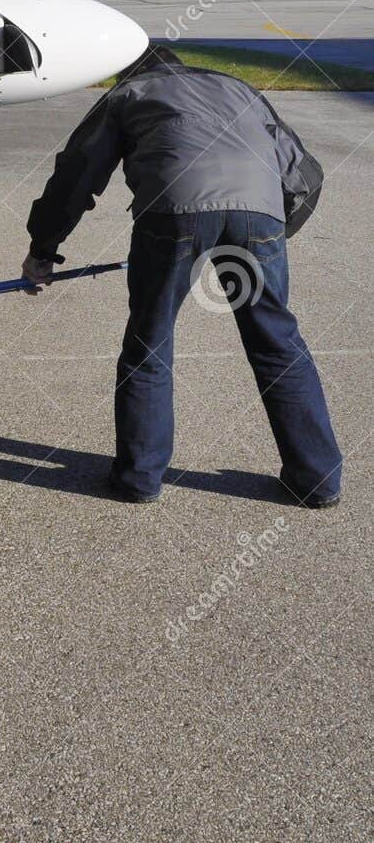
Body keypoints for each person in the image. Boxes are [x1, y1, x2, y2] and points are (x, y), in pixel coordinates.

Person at [22, 44, 342, 507]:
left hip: (173, 215)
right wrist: (269, 237)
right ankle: (317, 481)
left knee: (149, 343)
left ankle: (139, 478)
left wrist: (43, 248)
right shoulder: (238, 87)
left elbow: (77, 174)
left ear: (126, 71)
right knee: (276, 342)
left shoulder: (128, 93)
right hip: (259, 216)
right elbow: (305, 175)